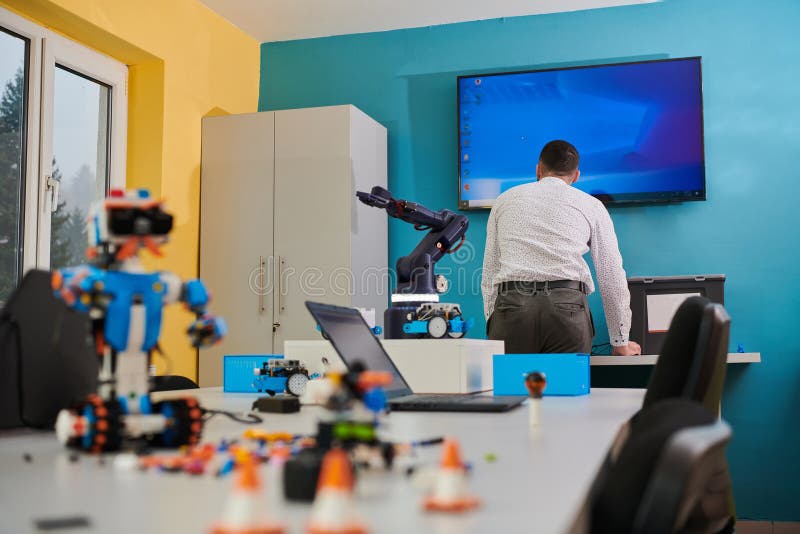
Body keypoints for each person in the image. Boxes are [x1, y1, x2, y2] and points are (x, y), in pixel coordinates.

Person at [481, 140, 641, 356]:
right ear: (576, 176)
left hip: (511, 307)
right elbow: (611, 275)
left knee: (512, 389)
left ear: (538, 169)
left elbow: (490, 270)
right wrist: (620, 340)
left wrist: (494, 322)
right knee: (565, 389)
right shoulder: (591, 205)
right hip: (568, 309)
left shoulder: (504, 201)